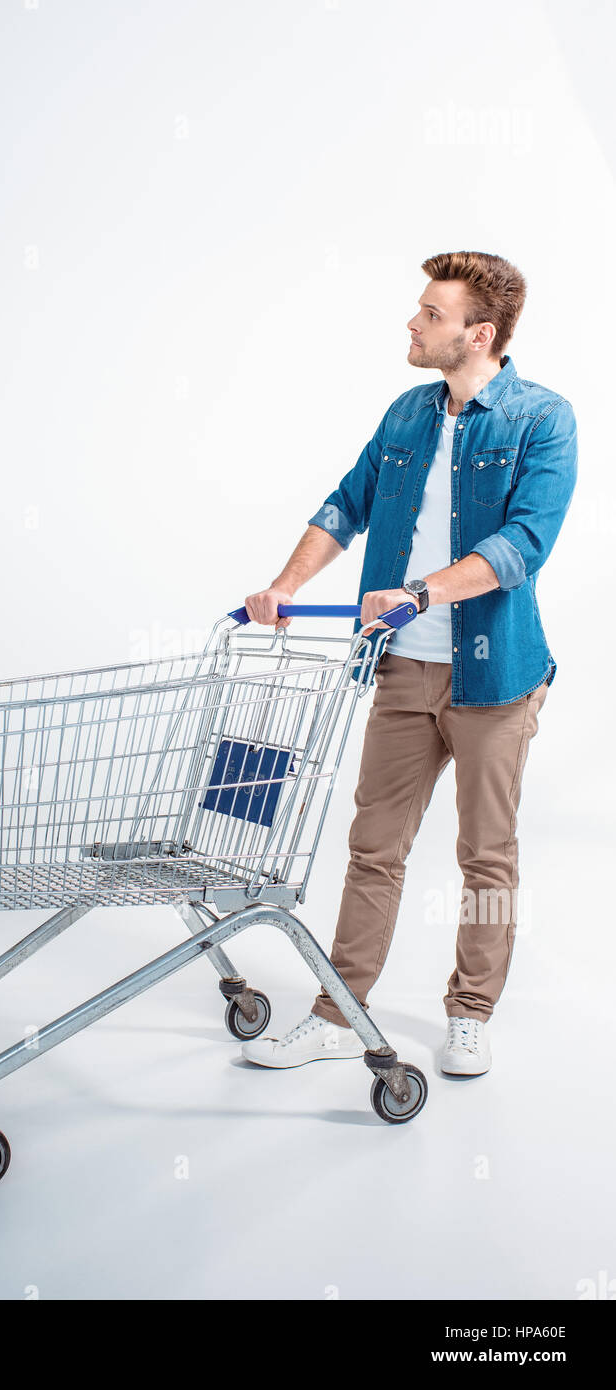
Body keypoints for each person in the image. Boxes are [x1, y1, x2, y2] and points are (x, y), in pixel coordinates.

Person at [240, 251, 577, 1077]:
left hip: (493, 680)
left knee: (486, 856)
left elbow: (522, 546)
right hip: (398, 673)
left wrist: (419, 595)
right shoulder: (405, 414)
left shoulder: (541, 419)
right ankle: (339, 1009)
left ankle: (469, 1013)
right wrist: (283, 587)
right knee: (372, 847)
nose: (412, 323)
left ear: (478, 333)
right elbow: (346, 504)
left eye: (430, 313)